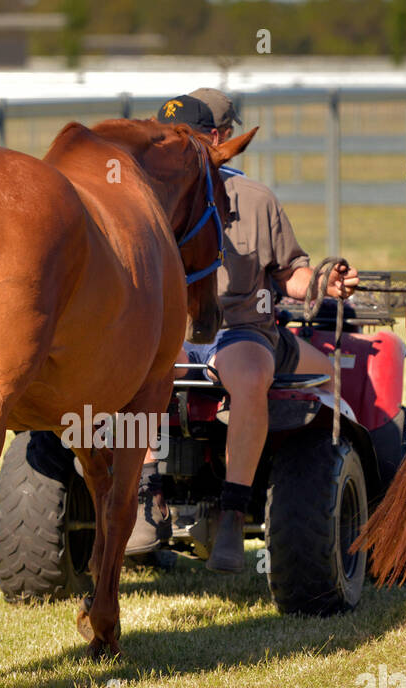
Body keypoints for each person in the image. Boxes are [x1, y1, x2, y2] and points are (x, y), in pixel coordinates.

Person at [126, 89, 358, 571]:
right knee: (141, 365)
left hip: (238, 330)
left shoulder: (254, 200)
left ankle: (234, 512)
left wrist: (320, 282)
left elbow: (290, 272)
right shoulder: (137, 200)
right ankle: (147, 498)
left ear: (217, 141)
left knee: (257, 372)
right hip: (170, 333)